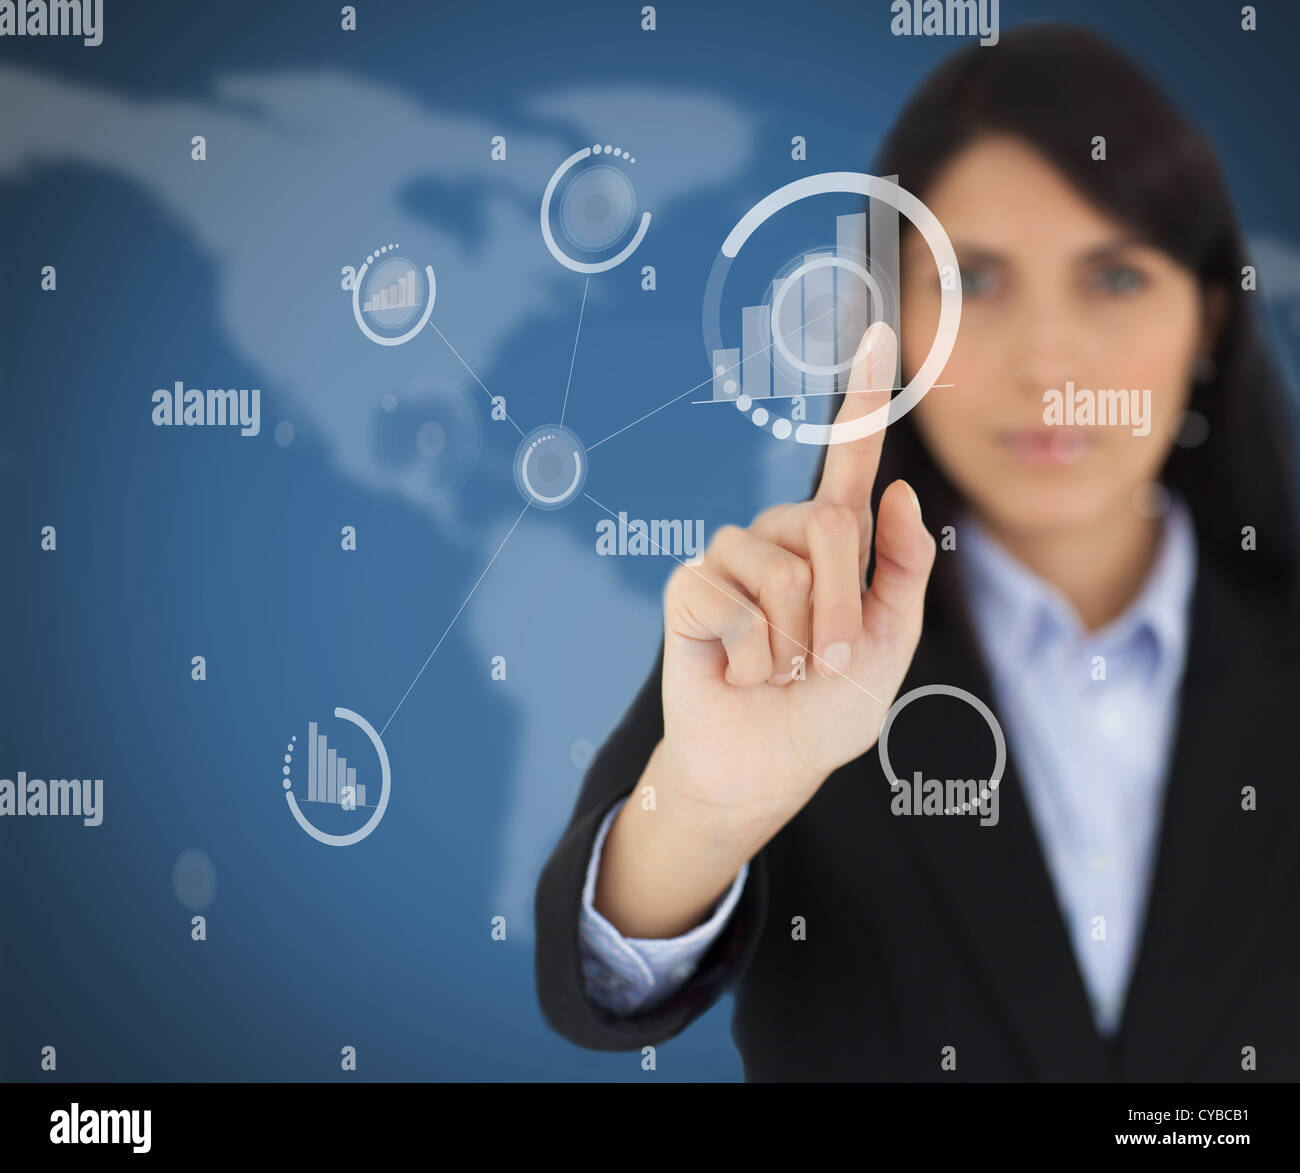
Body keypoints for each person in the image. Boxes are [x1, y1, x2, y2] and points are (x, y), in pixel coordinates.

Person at [534, 23, 1300, 1081]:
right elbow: (594, 991)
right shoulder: (791, 640)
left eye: (1114, 278)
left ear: (1209, 319)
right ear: (887, 321)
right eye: (975, 281)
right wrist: (706, 816)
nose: (1049, 363)